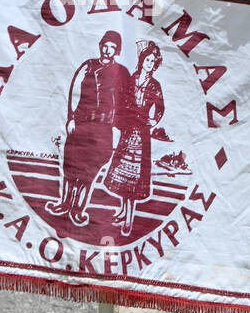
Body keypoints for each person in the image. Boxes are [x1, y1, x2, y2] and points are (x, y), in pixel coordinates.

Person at [46, 32, 130, 227]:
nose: (107, 50)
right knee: (70, 166)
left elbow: (125, 104)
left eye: (112, 47)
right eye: (105, 45)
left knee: (89, 171)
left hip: (103, 128)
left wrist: (118, 128)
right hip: (82, 124)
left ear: (117, 50)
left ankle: (77, 209)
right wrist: (71, 119)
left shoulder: (121, 72)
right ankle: (64, 203)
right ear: (100, 46)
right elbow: (74, 91)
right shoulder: (88, 66)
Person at [104, 41, 165, 238]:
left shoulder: (155, 85)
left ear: (155, 65)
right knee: (123, 176)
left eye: (152, 61)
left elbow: (161, 107)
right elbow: (123, 100)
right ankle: (122, 211)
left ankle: (129, 219)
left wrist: (153, 120)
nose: (149, 63)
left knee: (134, 180)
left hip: (141, 134)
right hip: (128, 131)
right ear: (141, 61)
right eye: (147, 60)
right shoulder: (133, 78)